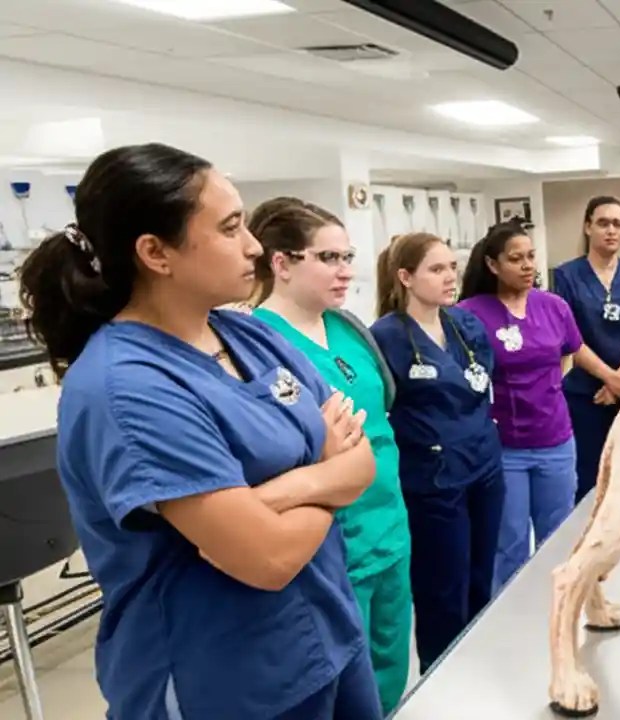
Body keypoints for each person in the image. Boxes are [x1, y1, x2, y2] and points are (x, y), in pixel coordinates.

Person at [19, 143, 382, 718]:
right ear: (155, 252)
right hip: (221, 679)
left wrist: (281, 493)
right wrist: (325, 473)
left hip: (326, 638)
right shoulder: (127, 388)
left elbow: (362, 463)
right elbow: (266, 558)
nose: (255, 245)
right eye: (230, 227)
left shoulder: (248, 336)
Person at [247, 196, 412, 715]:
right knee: (346, 674)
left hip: (389, 521)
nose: (346, 272)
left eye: (347, 257)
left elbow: (382, 406)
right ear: (282, 263)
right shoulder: (258, 343)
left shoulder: (346, 328)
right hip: (333, 536)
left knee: (391, 660)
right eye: (329, 258)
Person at [370, 232, 504, 674]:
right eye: (437, 269)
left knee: (481, 577)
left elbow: (481, 383)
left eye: (452, 267)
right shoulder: (385, 337)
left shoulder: (464, 325)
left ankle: (482, 665)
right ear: (405, 277)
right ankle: (444, 677)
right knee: (443, 587)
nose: (451, 277)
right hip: (433, 479)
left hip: (483, 466)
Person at [458, 222, 612, 590]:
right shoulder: (469, 313)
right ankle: (510, 625)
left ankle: (559, 611)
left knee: (557, 538)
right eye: (516, 259)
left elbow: (570, 352)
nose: (528, 266)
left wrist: (554, 381)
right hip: (504, 445)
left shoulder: (553, 307)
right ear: (493, 265)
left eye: (531, 257)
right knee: (509, 543)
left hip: (555, 439)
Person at [552, 196, 620, 503]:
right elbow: (569, 336)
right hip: (585, 393)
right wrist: (608, 377)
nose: (611, 230)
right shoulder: (566, 276)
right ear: (588, 227)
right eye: (603, 223)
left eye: (618, 224)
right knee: (589, 477)